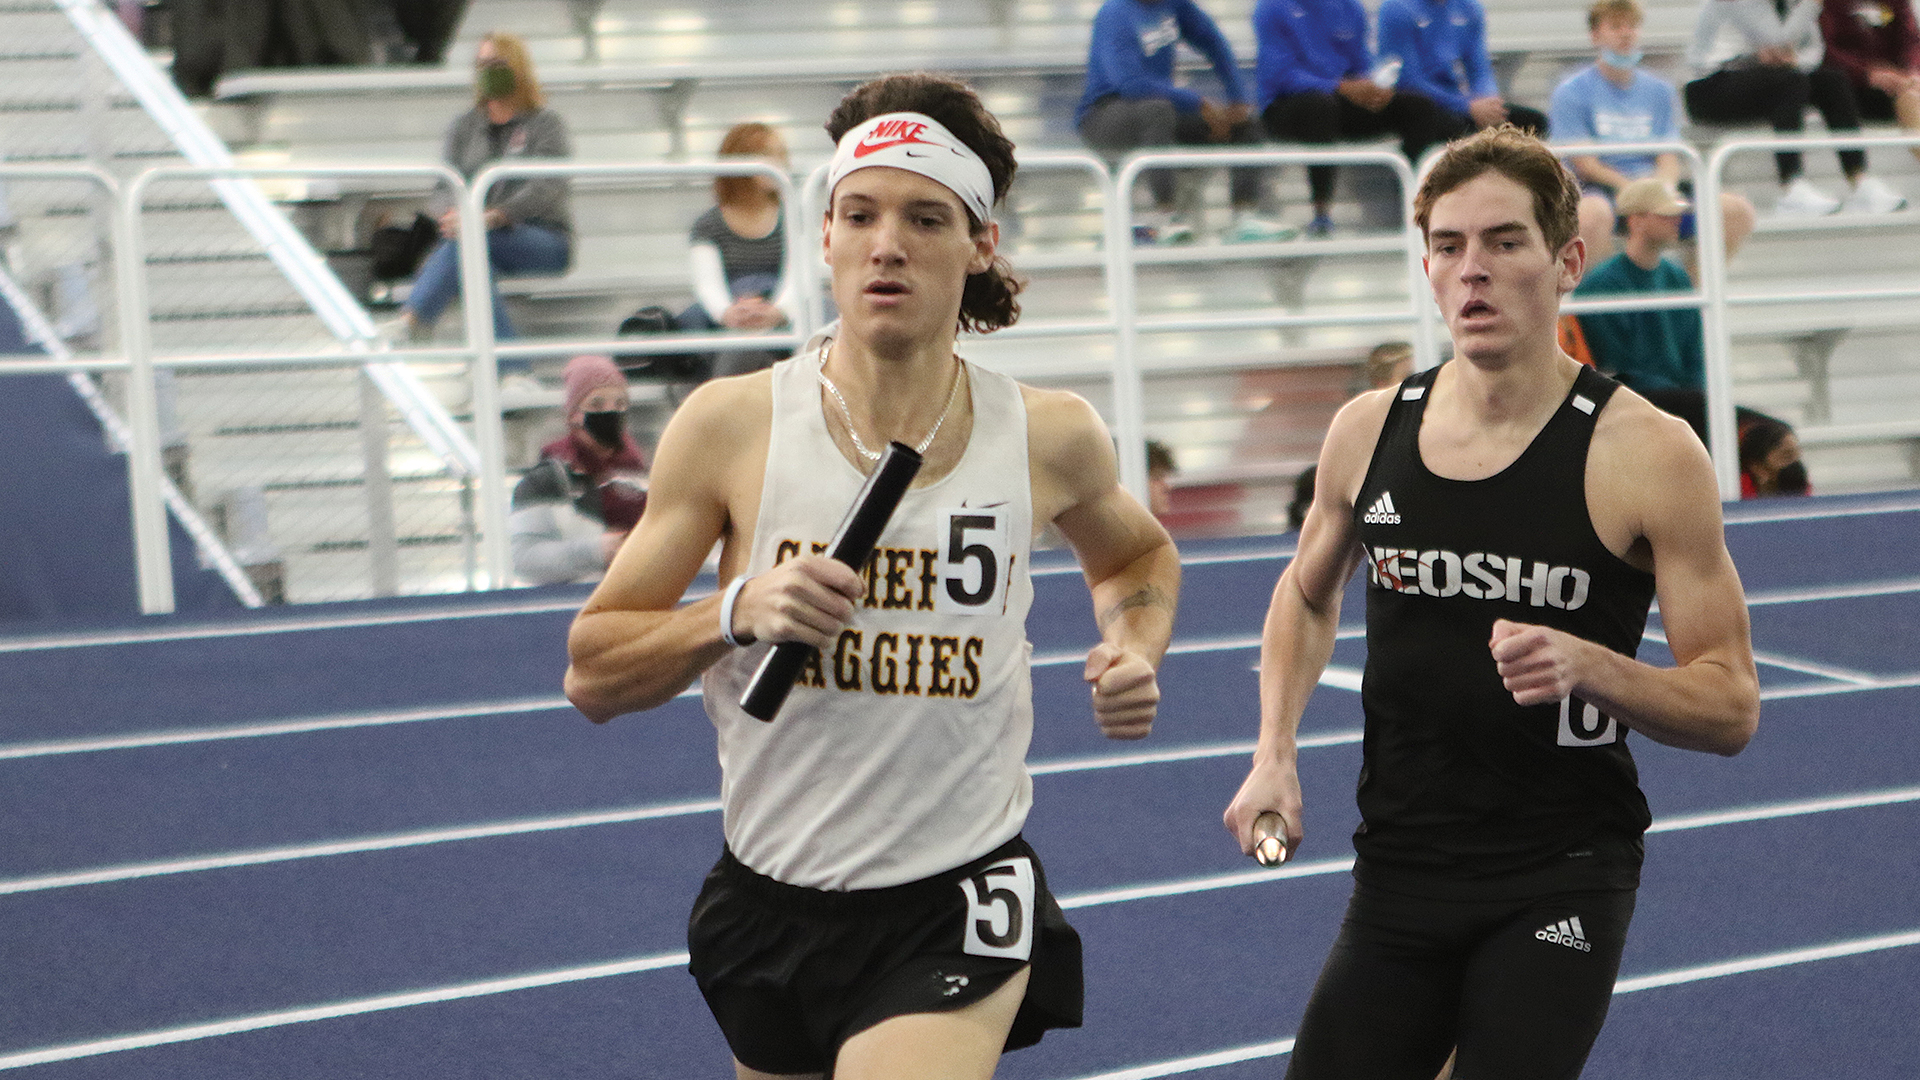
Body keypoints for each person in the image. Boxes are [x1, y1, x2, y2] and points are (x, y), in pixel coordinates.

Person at [563, 72, 1181, 1079]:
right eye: (861, 214)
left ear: (979, 244)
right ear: (826, 238)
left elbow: (1139, 554)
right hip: (771, 899)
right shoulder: (733, 427)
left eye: (925, 217)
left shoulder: (1049, 433)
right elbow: (592, 672)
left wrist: (1131, 642)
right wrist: (734, 612)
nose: (887, 242)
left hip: (957, 897)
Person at [1224, 124, 1759, 1079]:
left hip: (1560, 871)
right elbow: (1305, 598)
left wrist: (1593, 666)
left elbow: (1731, 706)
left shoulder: (1648, 452)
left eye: (1505, 243)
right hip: (1399, 867)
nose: (1473, 271)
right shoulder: (1366, 432)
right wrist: (1274, 753)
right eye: (1448, 246)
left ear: (1568, 263)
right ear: (1426, 268)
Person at [387, 31, 572, 351]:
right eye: (482, 64)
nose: (488, 71)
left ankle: (414, 319)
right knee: (474, 263)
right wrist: (451, 214)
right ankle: (513, 373)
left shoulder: (545, 123)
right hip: (475, 237)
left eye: (497, 63)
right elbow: (444, 183)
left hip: (543, 238)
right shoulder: (465, 126)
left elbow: (547, 187)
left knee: (470, 241)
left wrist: (496, 216)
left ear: (518, 68)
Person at [1550, 0, 1757, 263]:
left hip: (1655, 187)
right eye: (1615, 26)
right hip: (1603, 189)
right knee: (1591, 215)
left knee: (1735, 210)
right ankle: (1604, 296)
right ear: (1595, 35)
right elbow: (1586, 165)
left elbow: (1669, 156)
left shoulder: (1660, 90)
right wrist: (1637, 192)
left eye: (1632, 26)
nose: (1626, 34)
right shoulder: (1570, 91)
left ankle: (1691, 294)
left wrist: (1662, 188)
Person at [1077, 0, 1293, 244]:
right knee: (1157, 110)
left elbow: (1214, 42)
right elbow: (1130, 84)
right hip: (1103, 116)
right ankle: (1165, 215)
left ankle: (1244, 216)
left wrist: (1237, 99)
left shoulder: (1174, 5)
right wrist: (1198, 103)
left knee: (1244, 122)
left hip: (1161, 111)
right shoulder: (1115, 12)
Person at [1254, 0, 1463, 237]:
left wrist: (1372, 86)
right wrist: (1339, 86)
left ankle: (1416, 204)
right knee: (1319, 107)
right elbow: (1280, 74)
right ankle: (1321, 215)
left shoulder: (1349, 6)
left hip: (1339, 99)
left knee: (1417, 106)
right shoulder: (1272, 6)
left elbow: (1361, 60)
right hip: (1285, 106)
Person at [1686, 0, 1907, 215]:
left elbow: (1814, 49)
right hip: (1709, 86)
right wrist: (1811, 5)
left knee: (1832, 81)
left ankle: (1859, 180)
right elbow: (1775, 38)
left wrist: (1795, 60)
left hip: (1762, 76)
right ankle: (1791, 186)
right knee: (1789, 81)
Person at [674, 122, 801, 379]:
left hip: (781, 313)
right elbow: (708, 285)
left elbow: (800, 276)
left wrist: (778, 311)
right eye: (768, 156)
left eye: (781, 156)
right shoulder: (709, 225)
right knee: (695, 324)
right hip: (729, 315)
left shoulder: (794, 218)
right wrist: (728, 313)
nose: (780, 165)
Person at [509, 355, 646, 585]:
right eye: (596, 404)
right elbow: (524, 559)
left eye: (620, 404)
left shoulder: (641, 474)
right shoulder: (545, 480)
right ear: (574, 415)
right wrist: (595, 551)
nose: (610, 412)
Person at [1572, 177, 1705, 392]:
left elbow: (1695, 352)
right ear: (1636, 220)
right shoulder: (1601, 285)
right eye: (1665, 215)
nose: (1677, 220)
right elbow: (1615, 365)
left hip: (1680, 396)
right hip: (1635, 398)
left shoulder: (1676, 276)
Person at [1376, 0, 1551, 137]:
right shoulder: (1396, 8)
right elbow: (1407, 80)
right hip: (1422, 105)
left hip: (1458, 100)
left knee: (1532, 123)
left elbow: (1479, 68)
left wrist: (1489, 100)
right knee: (1449, 126)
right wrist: (1466, 106)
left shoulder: (1469, 8)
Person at [1819, 0, 1920, 166]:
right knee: (1910, 96)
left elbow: (1911, 40)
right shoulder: (1832, 5)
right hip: (1853, 88)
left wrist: (1912, 70)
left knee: (1911, 93)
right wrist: (1867, 73)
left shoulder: (1898, 3)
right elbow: (1827, 50)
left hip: (1896, 82)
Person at [1739, 414, 1811, 496]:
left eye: (1798, 457)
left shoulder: (1803, 493)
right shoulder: (1735, 495)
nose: (1796, 465)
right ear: (1758, 468)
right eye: (1787, 457)